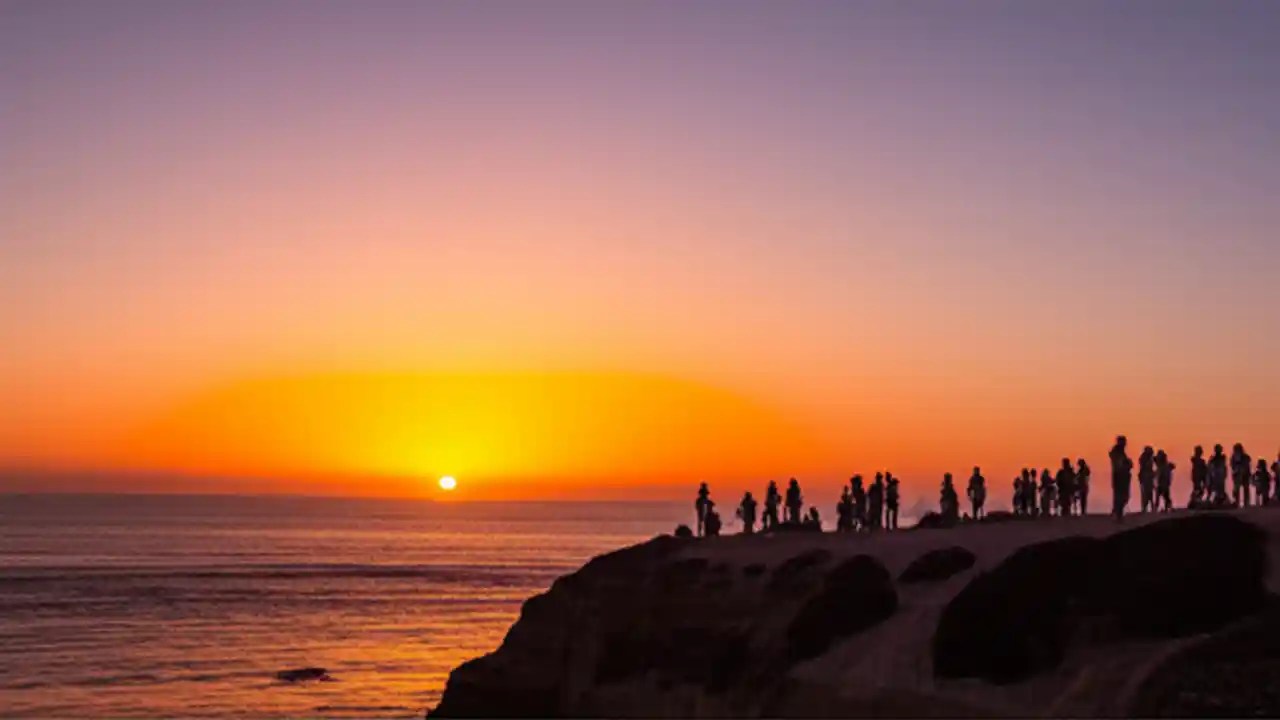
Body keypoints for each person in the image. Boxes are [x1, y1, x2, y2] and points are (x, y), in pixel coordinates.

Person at [1110, 435, 1133, 521]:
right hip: (1119, 476)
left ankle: (1118, 513)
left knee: (1122, 496)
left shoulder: (1120, 452)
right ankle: (1118, 514)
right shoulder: (1116, 452)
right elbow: (1119, 464)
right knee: (1121, 496)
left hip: (1122, 476)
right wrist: (1127, 464)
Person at [1138, 446, 1156, 513]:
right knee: (1146, 493)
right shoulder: (1144, 459)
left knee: (1149, 493)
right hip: (1146, 477)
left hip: (1148, 477)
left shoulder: (1148, 459)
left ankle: (1149, 507)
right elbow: (1144, 468)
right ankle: (1146, 508)